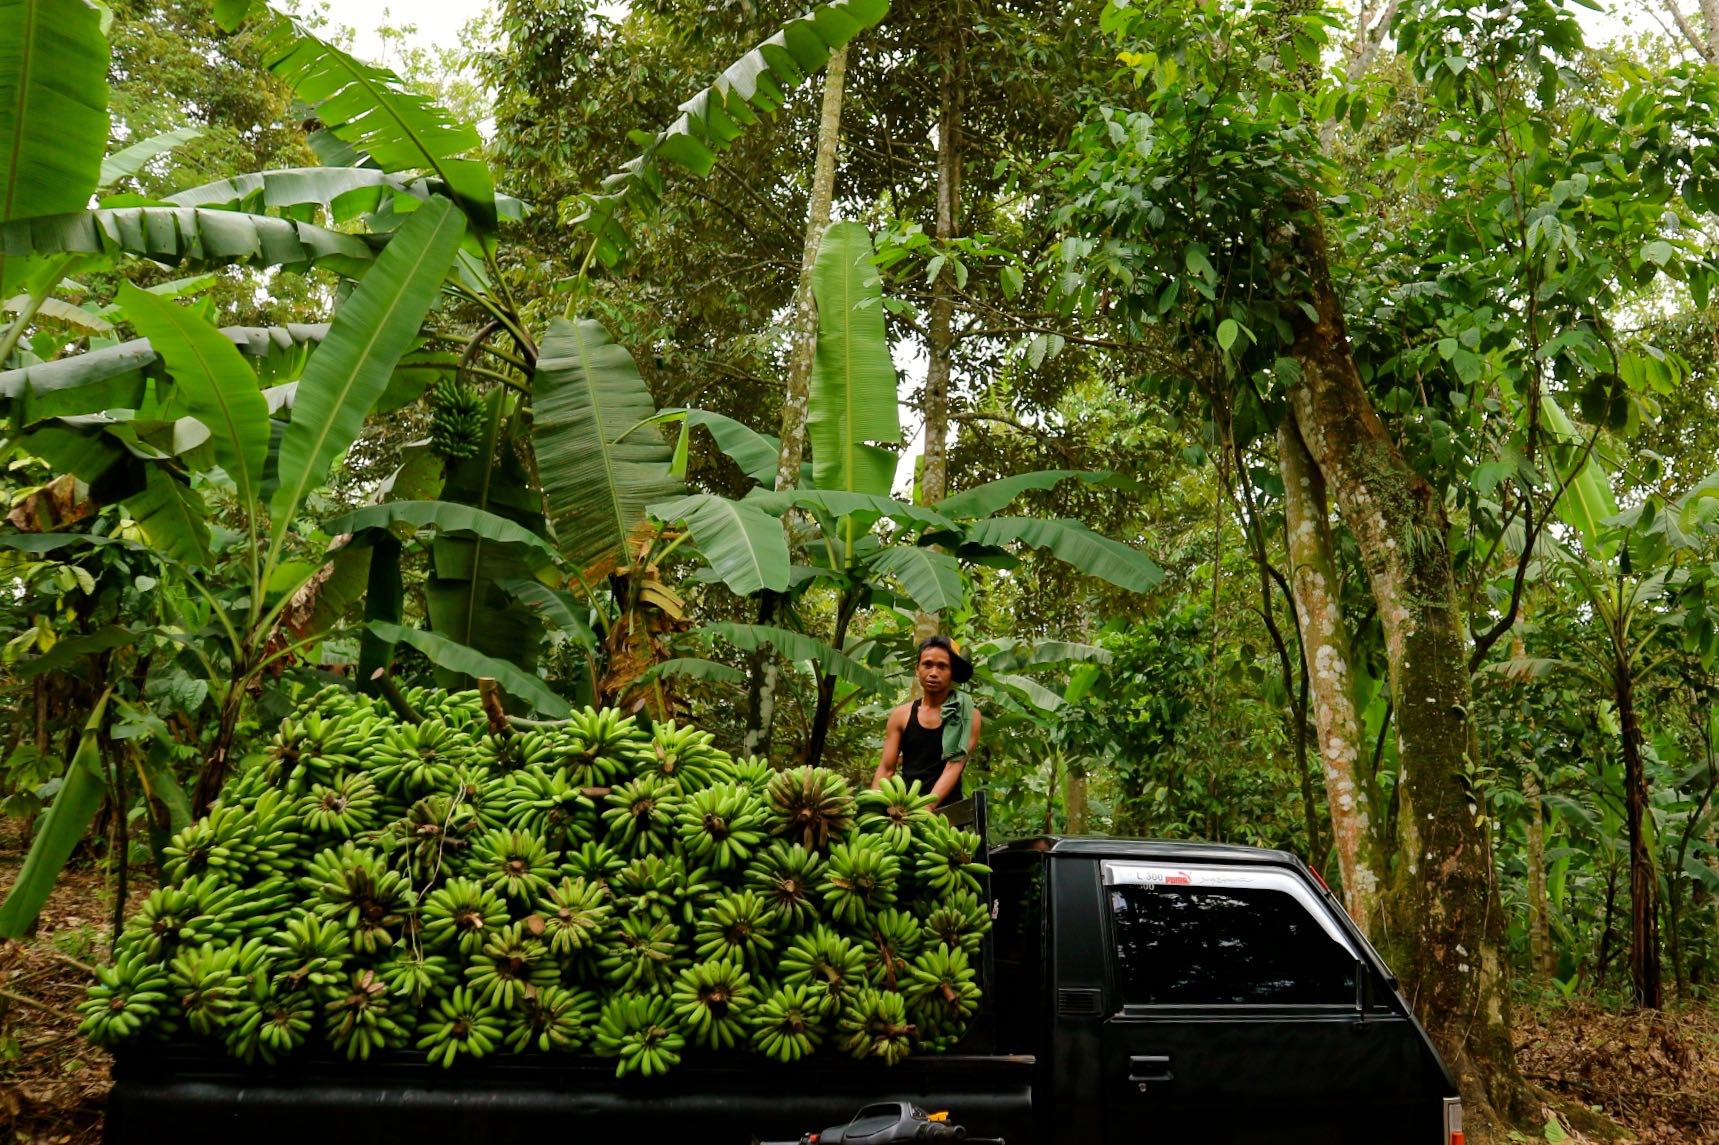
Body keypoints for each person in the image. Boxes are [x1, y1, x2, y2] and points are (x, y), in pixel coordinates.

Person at [872, 635, 982, 808]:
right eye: (927, 664)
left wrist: (927, 807)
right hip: (905, 806)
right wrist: (871, 807)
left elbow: (954, 766)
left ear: (952, 672)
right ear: (917, 669)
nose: (933, 673)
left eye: (942, 666)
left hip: (947, 813)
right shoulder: (901, 716)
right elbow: (886, 769)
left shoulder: (967, 715)